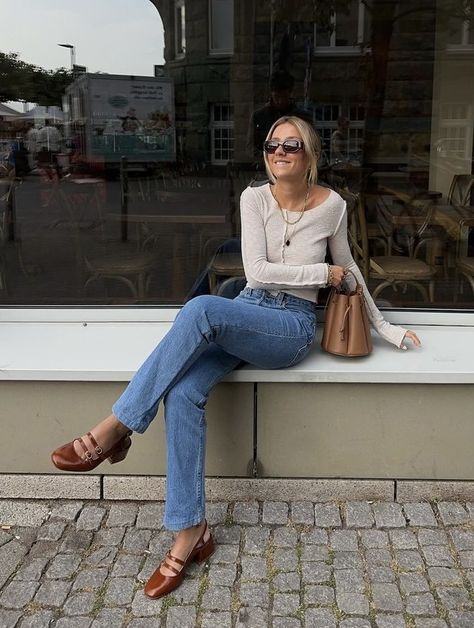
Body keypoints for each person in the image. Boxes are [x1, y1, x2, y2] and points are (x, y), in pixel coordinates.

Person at [51, 115, 420, 600]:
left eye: (290, 145)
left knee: (201, 307)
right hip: (247, 309)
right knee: (183, 393)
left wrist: (386, 326)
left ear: (309, 154)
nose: (279, 152)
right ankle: (191, 532)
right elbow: (257, 273)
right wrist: (321, 272)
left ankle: (116, 428)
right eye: (271, 145)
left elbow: (347, 266)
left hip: (289, 328)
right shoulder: (254, 198)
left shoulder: (332, 206)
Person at [247, 70, 312, 165]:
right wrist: (269, 158)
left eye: (284, 97)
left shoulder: (303, 117)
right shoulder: (259, 117)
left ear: (290, 93)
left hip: (295, 168)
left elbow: (311, 145)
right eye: (277, 97)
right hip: (265, 169)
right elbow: (250, 148)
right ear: (271, 93)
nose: (280, 101)